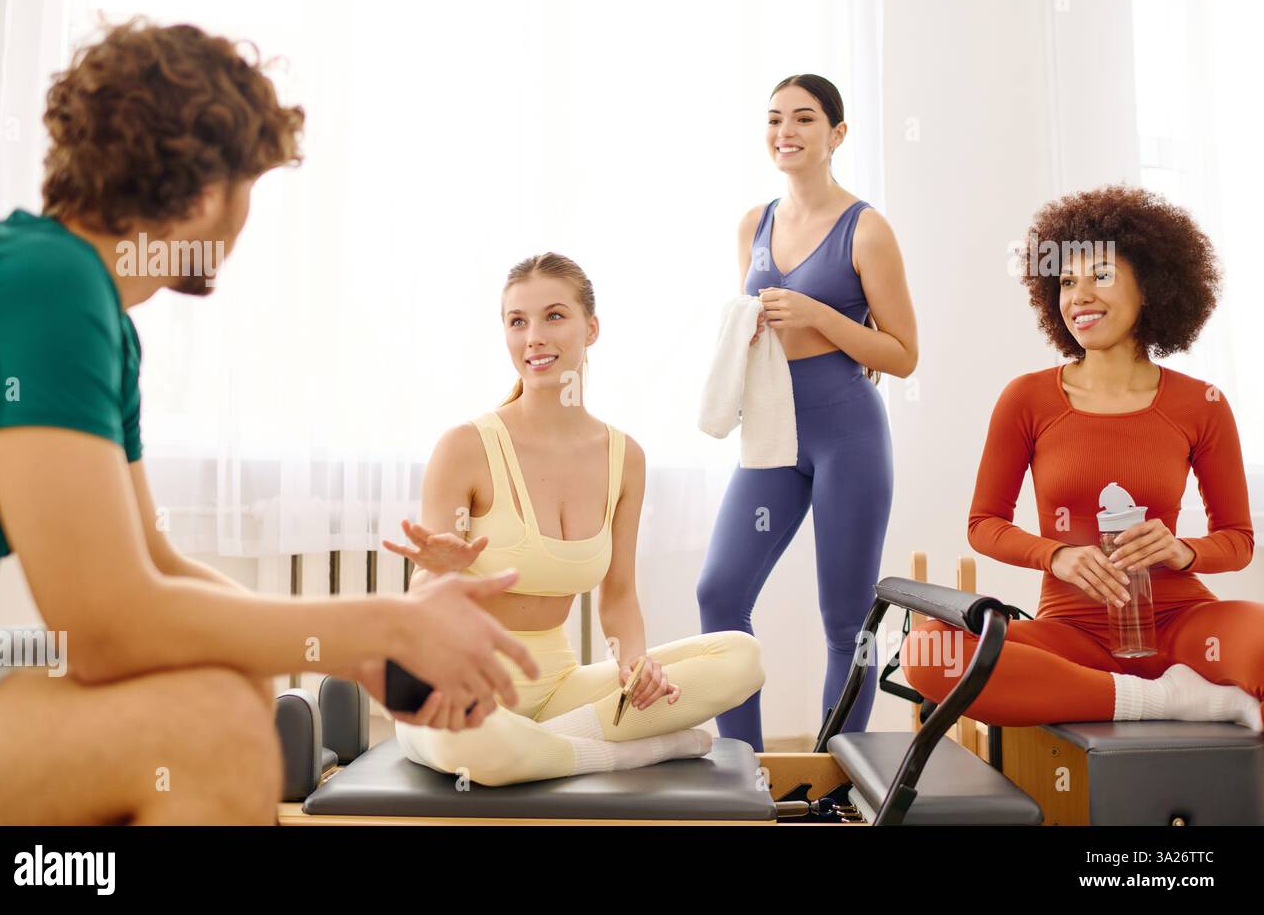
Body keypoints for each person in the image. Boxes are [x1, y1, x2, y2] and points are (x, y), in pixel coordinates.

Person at [0, 19, 539, 825]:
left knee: (237, 683)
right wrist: (380, 624)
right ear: (206, 195)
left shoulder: (92, 313)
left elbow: (155, 563)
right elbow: (105, 628)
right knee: (213, 733)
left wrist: (371, 652)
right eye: (247, 191)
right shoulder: (44, 280)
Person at [381, 252, 766, 785]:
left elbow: (619, 595)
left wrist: (635, 668)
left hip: (554, 687)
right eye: (517, 322)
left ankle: (540, 746)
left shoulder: (624, 457)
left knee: (741, 657)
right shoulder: (465, 447)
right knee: (476, 741)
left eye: (554, 316)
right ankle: (628, 751)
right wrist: (439, 573)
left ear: (592, 328)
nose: (534, 337)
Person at [903, 185, 1261, 730]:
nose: (1079, 297)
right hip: (1071, 635)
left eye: (1101, 276)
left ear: (1152, 286)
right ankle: (1171, 700)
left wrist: (1181, 551)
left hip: (1182, 625)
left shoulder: (1201, 403)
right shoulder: (1027, 398)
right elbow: (984, 524)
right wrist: (1057, 555)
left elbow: (1237, 540)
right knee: (931, 652)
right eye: (1067, 282)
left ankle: (1147, 697)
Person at [695, 74, 918, 751]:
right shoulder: (753, 224)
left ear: (837, 134)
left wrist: (820, 315)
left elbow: (902, 354)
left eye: (803, 118)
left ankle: (835, 778)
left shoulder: (866, 229)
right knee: (719, 594)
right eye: (774, 119)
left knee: (847, 620)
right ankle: (744, 768)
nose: (785, 132)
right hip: (773, 432)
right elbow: (749, 325)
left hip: (847, 431)